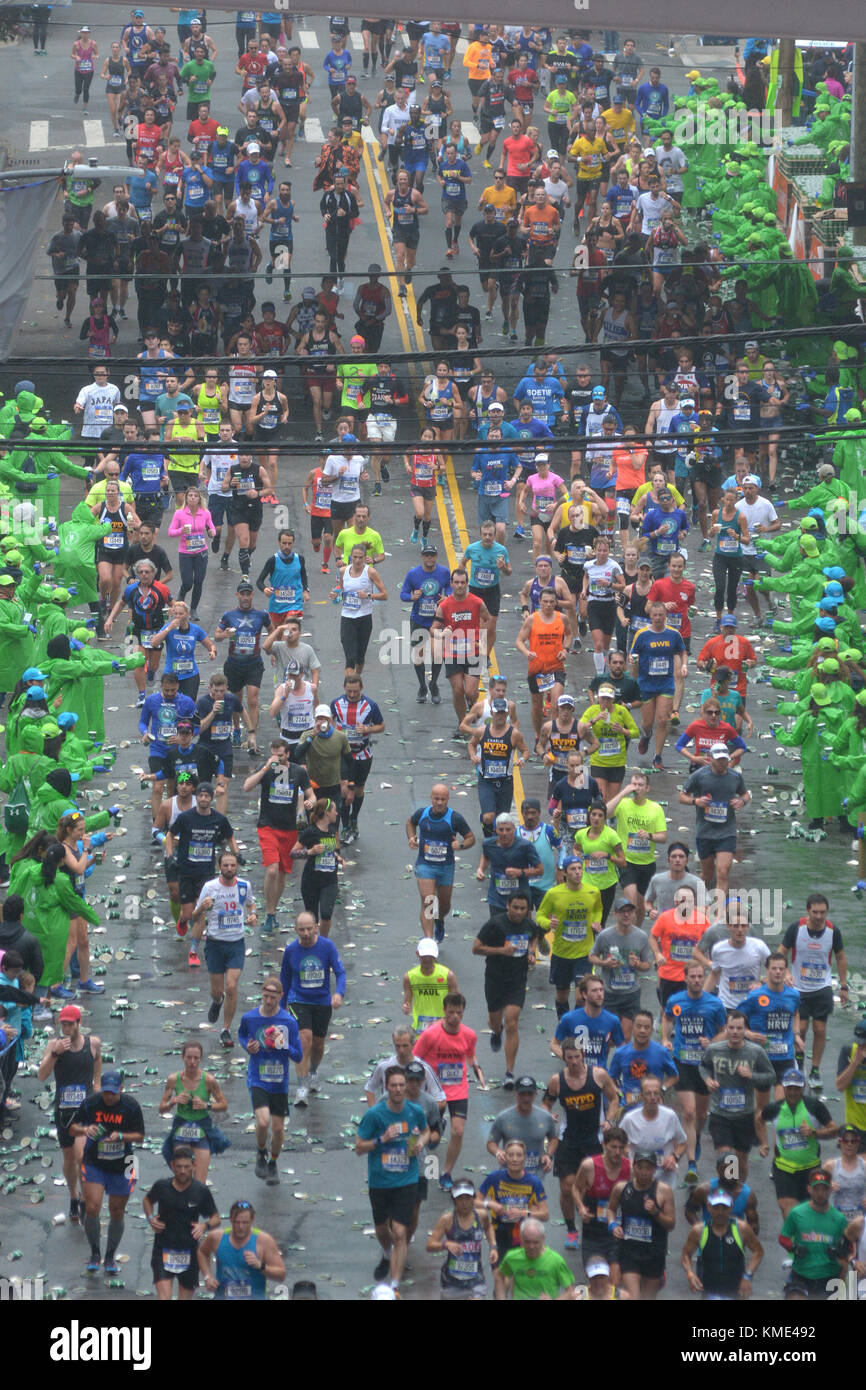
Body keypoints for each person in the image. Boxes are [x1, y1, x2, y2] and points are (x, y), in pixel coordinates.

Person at [355, 1065, 430, 1290]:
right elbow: (359, 1148)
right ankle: (387, 1254)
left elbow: (426, 1131)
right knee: (381, 1230)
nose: (398, 1089)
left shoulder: (414, 1111)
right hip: (380, 1180)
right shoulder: (374, 1114)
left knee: (399, 1232)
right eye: (393, 1086)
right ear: (386, 1088)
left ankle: (394, 1286)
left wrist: (420, 1143)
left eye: (401, 1085)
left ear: (406, 1086)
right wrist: (381, 1139)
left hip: (406, 1180)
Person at [543, 1037, 618, 1249]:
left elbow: (614, 1098)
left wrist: (610, 1121)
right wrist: (550, 1115)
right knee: (567, 1188)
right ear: (564, 1058)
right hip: (569, 1140)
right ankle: (571, 1230)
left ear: (583, 1055)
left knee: (592, 1187)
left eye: (577, 1057)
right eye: (570, 1058)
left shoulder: (598, 1075)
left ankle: (595, 1223)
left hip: (595, 1139)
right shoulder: (557, 1081)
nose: (574, 1061)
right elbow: (546, 1103)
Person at [70, 1070, 145, 1276]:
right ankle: (95, 1253)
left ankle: (110, 1256)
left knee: (117, 1211)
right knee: (92, 1207)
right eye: (105, 1093)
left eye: (113, 1092)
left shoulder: (131, 1106)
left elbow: (140, 1136)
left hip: (125, 1163)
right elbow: (72, 1129)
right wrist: (86, 1130)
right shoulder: (91, 1104)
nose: (109, 1097)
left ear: (121, 1088)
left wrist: (121, 1136)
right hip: (95, 1161)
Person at [37, 1003, 101, 1223]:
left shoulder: (92, 1043)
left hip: (85, 1111)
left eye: (69, 1024)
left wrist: (97, 1085)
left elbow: (97, 1058)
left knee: (82, 1156)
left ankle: (84, 1199)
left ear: (78, 1023)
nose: (65, 1028)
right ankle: (74, 1195)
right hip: (64, 1111)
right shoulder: (54, 1045)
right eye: (62, 1023)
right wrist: (55, 1054)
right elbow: (41, 1075)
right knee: (69, 1157)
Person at [413, 992, 484, 1192]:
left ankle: (446, 1173)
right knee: (430, 1138)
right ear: (444, 1011)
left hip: (458, 1089)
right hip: (434, 1091)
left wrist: (477, 1069)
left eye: (459, 1013)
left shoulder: (469, 1035)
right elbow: (415, 1059)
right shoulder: (430, 1034)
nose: (455, 1017)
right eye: (451, 1012)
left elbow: (470, 1055)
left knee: (459, 1130)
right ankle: (427, 1172)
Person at [472, 888, 542, 1089]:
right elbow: (476, 948)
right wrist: (501, 951)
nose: (519, 912)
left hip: (517, 980)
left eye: (523, 908)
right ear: (508, 906)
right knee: (496, 1021)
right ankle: (496, 1031)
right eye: (516, 907)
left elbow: (534, 936)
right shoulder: (495, 925)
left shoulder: (529, 925)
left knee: (512, 1022)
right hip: (494, 978)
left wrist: (530, 952)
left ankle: (509, 1073)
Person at [244, 738, 314, 935]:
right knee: (272, 870)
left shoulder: (298, 772)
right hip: (268, 825)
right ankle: (268, 911)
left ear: (288, 754)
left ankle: (272, 912)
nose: (277, 758)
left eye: (280, 754)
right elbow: (247, 786)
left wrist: (311, 802)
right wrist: (266, 768)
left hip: (290, 828)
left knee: (283, 872)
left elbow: (311, 794)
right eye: (273, 754)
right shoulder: (266, 769)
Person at [238, 977, 303, 1187]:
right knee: (263, 1121)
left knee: (277, 1129)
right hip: (258, 1079)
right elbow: (242, 1035)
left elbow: (298, 1056)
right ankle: (260, 1153)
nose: (268, 1001)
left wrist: (282, 1044)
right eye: (265, 996)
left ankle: (273, 1162)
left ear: (280, 997)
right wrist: (248, 1047)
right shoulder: (250, 1018)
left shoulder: (288, 1022)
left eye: (272, 997)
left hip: (279, 1083)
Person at [189, 849, 256, 1047]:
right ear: (219, 867)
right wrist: (202, 908)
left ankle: (226, 1029)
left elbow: (251, 906)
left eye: (232, 865)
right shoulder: (210, 887)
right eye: (225, 865)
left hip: (236, 942)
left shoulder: (244, 886)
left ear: (237, 867)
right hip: (215, 943)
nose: (229, 868)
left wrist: (253, 916)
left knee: (232, 986)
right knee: (217, 991)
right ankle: (218, 1002)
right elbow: (193, 916)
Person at [279, 911, 346, 1108]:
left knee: (317, 1044)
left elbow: (340, 972)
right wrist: (281, 1008)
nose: (306, 933)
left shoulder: (327, 946)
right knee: (304, 1039)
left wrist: (338, 993)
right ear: (295, 930)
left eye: (309, 929)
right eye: (302, 930)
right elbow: (284, 978)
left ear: (316, 927)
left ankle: (313, 1072)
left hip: (322, 1002)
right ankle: (301, 1087)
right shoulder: (291, 950)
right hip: (298, 1000)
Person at [699, 1012, 775, 1181]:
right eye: (731, 1027)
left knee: (740, 1160)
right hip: (720, 1113)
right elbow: (703, 1066)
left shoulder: (755, 1051)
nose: (734, 1032)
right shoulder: (714, 1049)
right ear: (725, 1028)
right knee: (727, 1158)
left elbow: (771, 1076)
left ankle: (739, 1191)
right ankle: (728, 1190)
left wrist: (751, 1075)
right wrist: (708, 1080)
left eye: (739, 1028)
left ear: (745, 1030)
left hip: (744, 1115)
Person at [783, 893, 847, 1088]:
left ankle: (816, 1070)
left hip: (822, 987)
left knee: (820, 1029)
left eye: (823, 912)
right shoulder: (796, 928)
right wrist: (785, 972)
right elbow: (781, 952)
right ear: (807, 911)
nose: (819, 916)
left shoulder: (833, 931)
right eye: (815, 912)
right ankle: (799, 1066)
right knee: (800, 1029)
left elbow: (840, 958)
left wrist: (843, 985)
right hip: (799, 988)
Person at [142, 1146, 220, 1300]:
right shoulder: (162, 1186)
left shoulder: (200, 1190)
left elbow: (216, 1218)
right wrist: (151, 1218)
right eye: (179, 1167)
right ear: (172, 1166)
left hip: (189, 1251)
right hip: (163, 1249)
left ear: (193, 1166)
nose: (183, 1171)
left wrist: (204, 1226)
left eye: (186, 1167)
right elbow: (147, 1200)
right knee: (164, 1297)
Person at [761, 1067, 836, 1219]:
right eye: (789, 1088)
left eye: (797, 1088)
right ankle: (792, 1242)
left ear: (803, 1087)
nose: (793, 1092)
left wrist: (814, 1133)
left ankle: (804, 1240)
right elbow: (758, 1120)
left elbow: (834, 1130)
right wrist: (764, 1143)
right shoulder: (774, 1108)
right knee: (790, 1211)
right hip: (784, 1169)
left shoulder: (814, 1106)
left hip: (810, 1169)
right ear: (784, 1087)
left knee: (811, 1213)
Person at [680, 743, 750, 905]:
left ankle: (718, 913)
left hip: (727, 832)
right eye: (718, 760)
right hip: (705, 832)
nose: (721, 763)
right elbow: (681, 796)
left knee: (723, 872)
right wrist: (696, 801)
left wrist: (742, 801)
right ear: (711, 758)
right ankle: (692, 903)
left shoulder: (735, 777)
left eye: (724, 759)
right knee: (707, 875)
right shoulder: (699, 776)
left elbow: (745, 794)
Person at [407, 784, 475, 943]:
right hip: (425, 865)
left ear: (448, 800)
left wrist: (461, 845)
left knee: (443, 906)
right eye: (436, 799)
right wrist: (411, 837)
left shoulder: (455, 818)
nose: (439, 802)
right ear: (431, 798)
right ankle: (429, 941)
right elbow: (410, 823)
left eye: (443, 799)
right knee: (429, 901)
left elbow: (471, 838)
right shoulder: (422, 814)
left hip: (446, 867)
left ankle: (440, 920)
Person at [608, 1150, 676, 1300]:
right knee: (633, 1296)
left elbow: (671, 1224)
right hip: (629, 1251)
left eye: (648, 1168)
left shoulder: (663, 1191)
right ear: (634, 1167)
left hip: (654, 1253)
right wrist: (613, 1225)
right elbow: (611, 1209)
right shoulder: (622, 1188)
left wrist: (656, 1212)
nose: (644, 1172)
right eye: (640, 1167)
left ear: (654, 1169)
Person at [158, 1038, 228, 1182]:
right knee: (183, 1178)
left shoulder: (209, 1080)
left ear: (200, 1059)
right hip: (181, 1127)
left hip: (202, 1127)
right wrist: (173, 1101)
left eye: (196, 1058)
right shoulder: (173, 1079)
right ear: (183, 1057)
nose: (192, 1061)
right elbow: (162, 1109)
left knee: (200, 1183)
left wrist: (206, 1105)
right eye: (189, 1057)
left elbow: (223, 1105)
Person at [431, 568, 491, 733]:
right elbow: (433, 629)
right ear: (451, 584)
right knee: (458, 690)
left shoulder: (477, 602)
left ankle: (473, 705)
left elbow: (487, 619)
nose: (459, 586)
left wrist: (481, 639)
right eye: (456, 583)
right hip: (452, 654)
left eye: (462, 583)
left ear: (467, 583)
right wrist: (442, 633)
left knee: (471, 691)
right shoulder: (444, 605)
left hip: (473, 653)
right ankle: (462, 724)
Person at [630, 600, 687, 770]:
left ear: (665, 616)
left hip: (665, 684)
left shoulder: (673, 634)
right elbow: (632, 654)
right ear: (650, 616)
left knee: (662, 720)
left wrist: (684, 665)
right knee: (647, 723)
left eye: (661, 615)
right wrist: (633, 661)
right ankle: (646, 735)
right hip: (646, 683)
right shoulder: (641, 634)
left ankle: (658, 756)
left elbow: (682, 651)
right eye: (654, 615)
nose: (657, 618)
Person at [606, 771, 668, 923]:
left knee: (640, 906)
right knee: (631, 901)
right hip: (626, 861)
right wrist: (623, 793)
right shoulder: (623, 804)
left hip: (647, 863)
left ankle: (636, 934)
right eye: (634, 784)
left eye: (640, 785)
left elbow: (663, 837)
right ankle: (626, 933)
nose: (637, 788)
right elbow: (605, 813)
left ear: (647, 788)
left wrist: (650, 836)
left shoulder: (655, 808)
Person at [780, 1170, 850, 1301]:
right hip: (801, 1273)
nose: (820, 1194)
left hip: (828, 1276)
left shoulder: (839, 1219)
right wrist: (793, 1247)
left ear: (830, 1190)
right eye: (816, 1189)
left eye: (824, 1189)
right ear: (808, 1189)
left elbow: (849, 1247)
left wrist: (841, 1251)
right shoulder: (797, 1213)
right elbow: (783, 1238)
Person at [681, 1188, 763, 1300]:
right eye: (716, 1207)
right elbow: (686, 1253)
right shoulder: (699, 1230)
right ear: (708, 1206)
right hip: (709, 1290)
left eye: (724, 1208)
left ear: (731, 1207)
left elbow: (758, 1251)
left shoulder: (741, 1228)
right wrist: (690, 1274)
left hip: (736, 1291)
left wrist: (748, 1276)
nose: (720, 1212)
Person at [589, 902, 653, 1042]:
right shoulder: (605, 936)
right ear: (615, 914)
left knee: (625, 1037)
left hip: (631, 993)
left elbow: (647, 965)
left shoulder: (641, 936)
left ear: (634, 914)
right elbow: (592, 956)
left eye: (629, 911)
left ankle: (621, 1063)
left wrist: (637, 964)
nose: (626, 914)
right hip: (609, 993)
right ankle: (605, 1062)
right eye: (622, 911)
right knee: (607, 1038)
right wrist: (604, 963)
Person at [198, 1200, 286, 1299]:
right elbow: (202, 1252)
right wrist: (207, 1277)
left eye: (245, 1223)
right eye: (237, 1222)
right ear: (231, 1220)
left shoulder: (264, 1241)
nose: (241, 1227)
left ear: (252, 1220)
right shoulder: (217, 1238)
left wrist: (260, 1265)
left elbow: (281, 1275)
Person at [468, 698, 530, 839]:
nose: (500, 716)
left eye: (503, 713)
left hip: (505, 782)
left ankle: (490, 829)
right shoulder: (482, 731)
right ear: (491, 713)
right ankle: (490, 838)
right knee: (489, 817)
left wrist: (522, 759)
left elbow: (525, 751)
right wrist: (473, 756)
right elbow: (471, 744)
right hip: (486, 781)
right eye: (497, 713)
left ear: (507, 713)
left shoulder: (514, 734)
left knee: (502, 818)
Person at [478, 1140, 550, 1260]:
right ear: (505, 1157)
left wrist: (523, 1213)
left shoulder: (534, 1182)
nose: (515, 1159)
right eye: (511, 1155)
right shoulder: (494, 1178)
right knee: (499, 1275)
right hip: (499, 1232)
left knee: (519, 1275)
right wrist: (489, 1204)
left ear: (524, 1158)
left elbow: (545, 1214)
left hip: (523, 1235)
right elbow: (473, 1201)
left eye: (519, 1155)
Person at [427, 1179, 497, 1300]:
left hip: (476, 1277)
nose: (464, 1203)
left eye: (467, 1198)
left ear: (473, 1199)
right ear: (454, 1200)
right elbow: (430, 1245)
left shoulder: (481, 1216)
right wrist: (445, 1244)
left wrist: (493, 1247)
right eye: (460, 1199)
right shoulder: (447, 1219)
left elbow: (488, 1228)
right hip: (451, 1280)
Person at [487, 1077, 558, 1177]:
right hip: (508, 1174)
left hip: (536, 1176)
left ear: (535, 1095)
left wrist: (548, 1155)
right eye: (522, 1094)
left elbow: (553, 1139)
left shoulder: (545, 1117)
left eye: (530, 1094)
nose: (526, 1098)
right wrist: (498, 1152)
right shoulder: (503, 1118)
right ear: (515, 1094)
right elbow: (491, 1143)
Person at [620, 1076, 687, 1177]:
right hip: (638, 1175)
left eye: (656, 1093)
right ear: (641, 1095)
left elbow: (683, 1143)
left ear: (660, 1095)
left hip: (664, 1173)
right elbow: (618, 1143)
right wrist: (627, 1160)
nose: (652, 1097)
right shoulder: (630, 1119)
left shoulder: (670, 1116)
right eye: (648, 1093)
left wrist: (674, 1157)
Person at [493, 1217, 574, 1300]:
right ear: (521, 1238)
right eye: (527, 1242)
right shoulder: (512, 1257)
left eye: (536, 1242)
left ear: (543, 1238)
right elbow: (499, 1276)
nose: (531, 1247)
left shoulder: (556, 1260)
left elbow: (571, 1293)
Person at [709, 916, 771, 1012]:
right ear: (729, 926)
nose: (740, 930)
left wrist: (761, 983)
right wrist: (701, 997)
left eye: (743, 926)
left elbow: (774, 969)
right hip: (726, 1005)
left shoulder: (759, 946)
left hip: (752, 1003)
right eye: (736, 926)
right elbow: (714, 974)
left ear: (748, 927)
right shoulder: (718, 949)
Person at [402, 939, 458, 1036]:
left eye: (430, 956)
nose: (427, 959)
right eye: (424, 956)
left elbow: (457, 1003)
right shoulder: (409, 977)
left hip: (444, 1026)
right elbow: (407, 1003)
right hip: (420, 1029)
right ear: (417, 953)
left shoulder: (448, 976)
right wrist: (406, 1007)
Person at [835, 1019, 866, 1149]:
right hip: (855, 1126)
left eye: (864, 1044)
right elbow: (840, 1086)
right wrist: (854, 1063)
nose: (861, 1047)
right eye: (859, 1043)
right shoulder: (848, 1050)